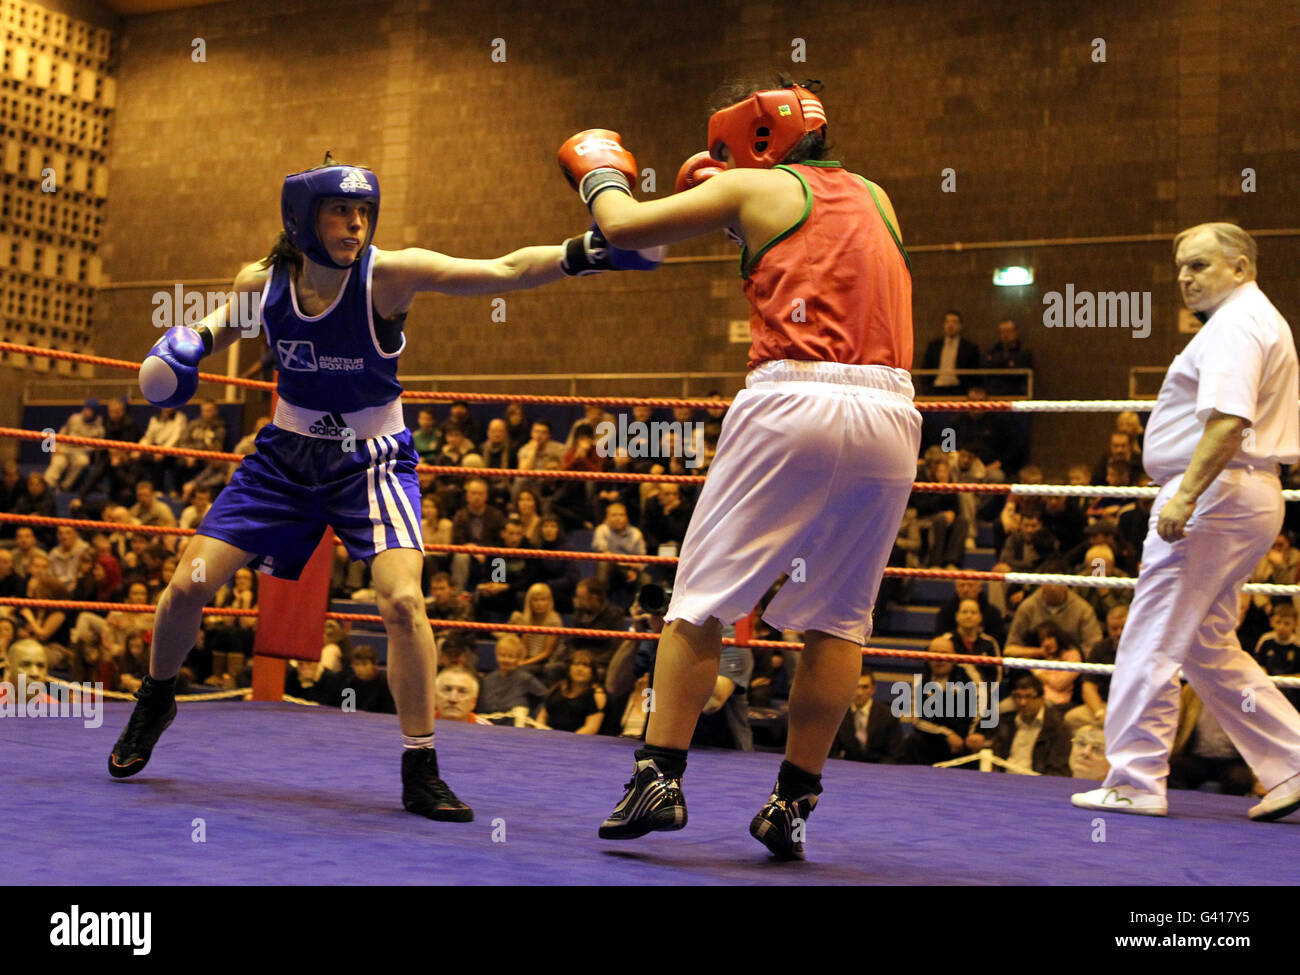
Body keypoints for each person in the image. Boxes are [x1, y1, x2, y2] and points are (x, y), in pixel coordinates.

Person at [107, 152, 662, 824]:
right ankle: (156, 698)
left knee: (402, 600)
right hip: (282, 458)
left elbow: (502, 270)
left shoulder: (388, 276)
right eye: (340, 209)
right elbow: (221, 321)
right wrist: (187, 339)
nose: (355, 222)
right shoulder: (263, 280)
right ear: (304, 219)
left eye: (363, 209)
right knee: (189, 583)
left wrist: (589, 251)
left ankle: (420, 764)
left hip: (369, 460)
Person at [562, 79, 921, 859]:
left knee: (700, 598)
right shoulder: (876, 194)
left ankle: (659, 775)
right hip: (893, 415)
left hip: (794, 398)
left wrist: (600, 169)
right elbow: (819, 258)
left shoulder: (750, 184)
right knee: (839, 620)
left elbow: (622, 229)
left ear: (752, 140)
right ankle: (792, 804)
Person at [1072, 223, 1300, 821]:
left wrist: (1184, 497)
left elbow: (1227, 420)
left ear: (1241, 268)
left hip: (1214, 493)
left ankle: (1135, 778)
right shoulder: (1253, 320)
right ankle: (1295, 760)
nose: (1184, 277)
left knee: (1152, 633)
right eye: (1180, 266)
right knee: (1205, 644)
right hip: (1242, 492)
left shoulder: (1236, 325)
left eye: (1198, 265)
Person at [830, 669, 905, 764]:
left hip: (880, 770)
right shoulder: (839, 714)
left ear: (873, 689)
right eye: (855, 687)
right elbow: (832, 752)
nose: (859, 693)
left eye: (865, 687)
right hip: (847, 770)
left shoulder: (888, 715)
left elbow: (895, 754)